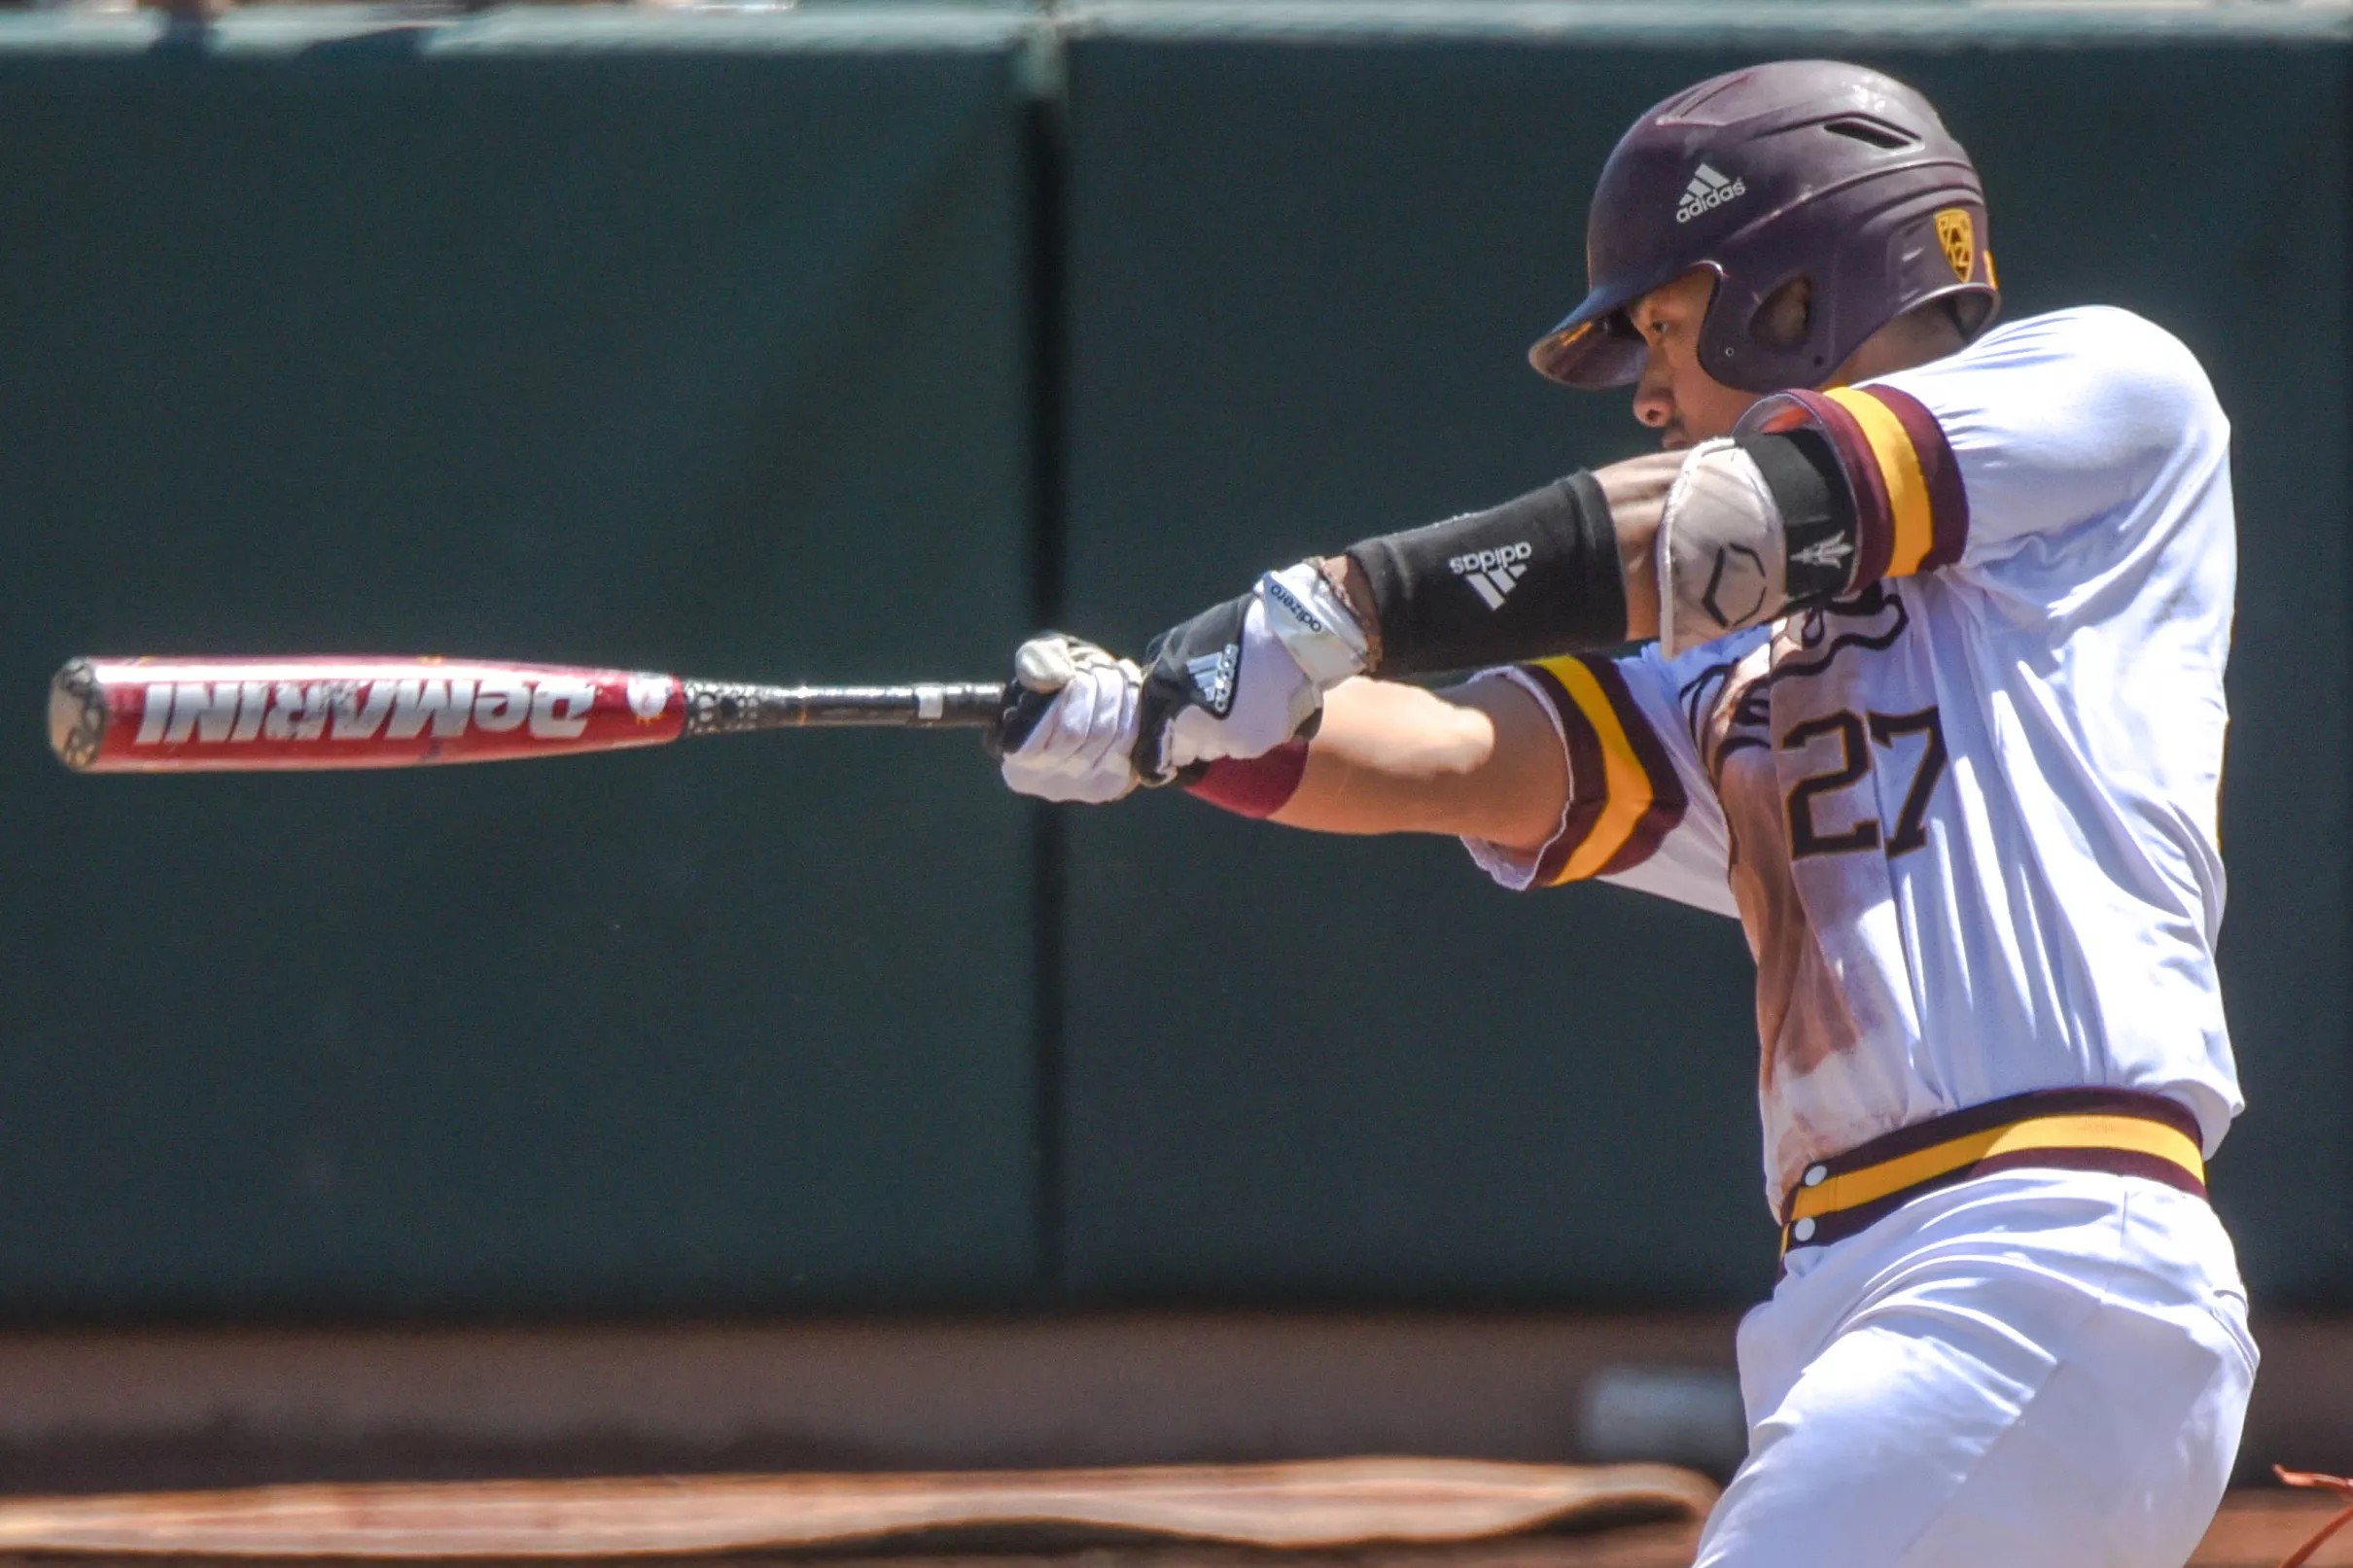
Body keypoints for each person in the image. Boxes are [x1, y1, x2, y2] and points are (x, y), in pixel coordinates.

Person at [995, 58, 2255, 1568]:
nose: (1653, 393)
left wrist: (1336, 608)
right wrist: (1175, 728)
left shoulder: (2114, 392)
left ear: (1793, 288)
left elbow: (1724, 520)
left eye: (1666, 326)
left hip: (2043, 1254)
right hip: (1857, 1290)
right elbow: (1466, 753)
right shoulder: (1743, 664)